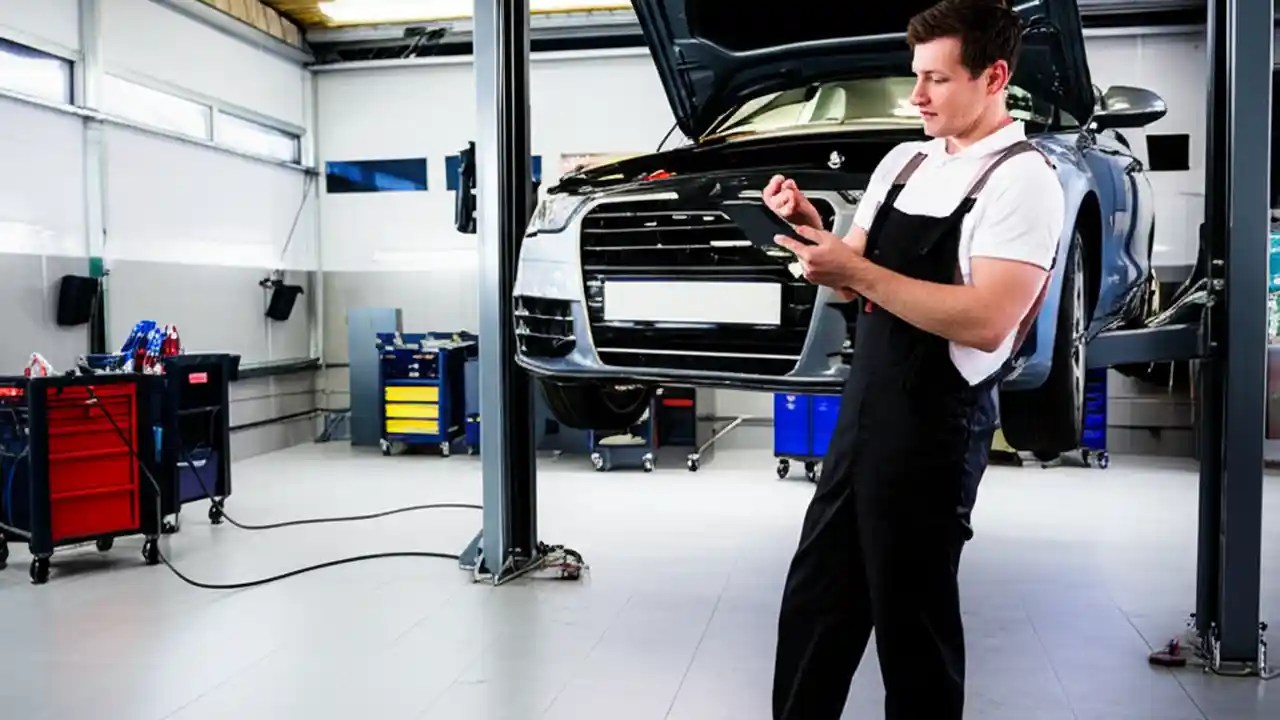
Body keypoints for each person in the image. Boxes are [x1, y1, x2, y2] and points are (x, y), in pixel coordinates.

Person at [763, 1, 1065, 718]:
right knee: (815, 607)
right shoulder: (905, 161)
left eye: (936, 79)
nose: (917, 96)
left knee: (913, 629)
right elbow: (853, 268)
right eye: (915, 77)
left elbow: (991, 320)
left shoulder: (1023, 180)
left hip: (935, 428)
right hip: (863, 413)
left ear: (993, 77)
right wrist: (813, 234)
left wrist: (856, 273)